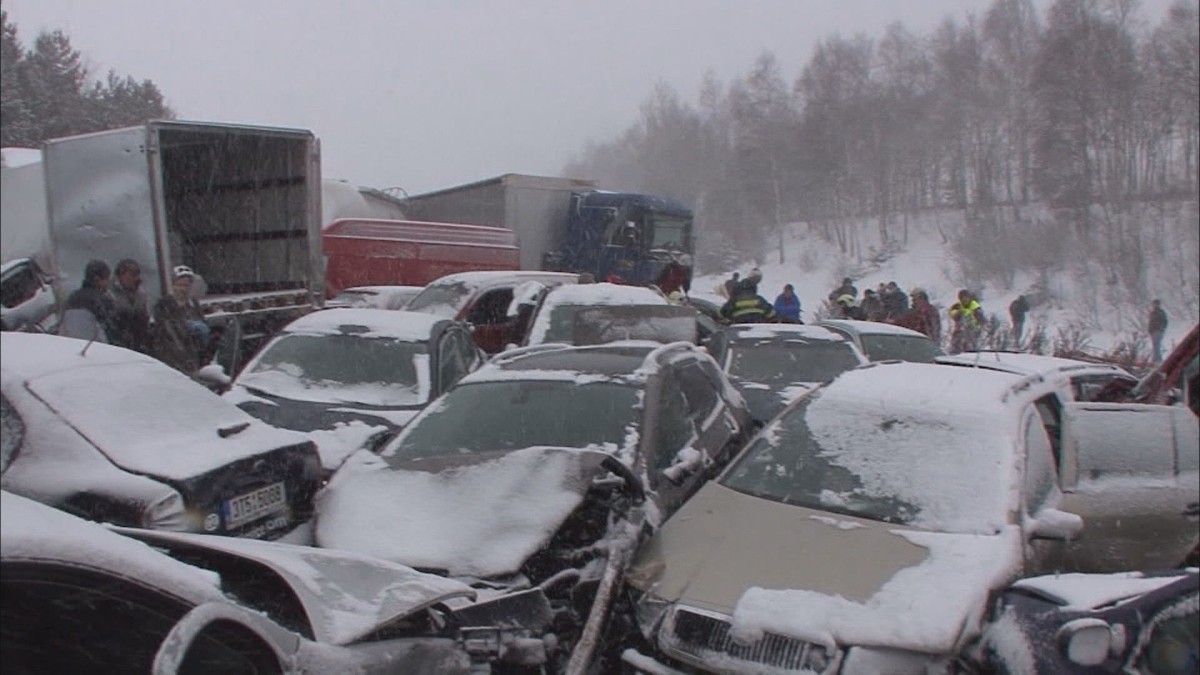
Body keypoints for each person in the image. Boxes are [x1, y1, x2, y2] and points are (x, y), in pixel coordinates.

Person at [153, 265, 209, 374]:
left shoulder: (193, 304)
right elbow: (167, 331)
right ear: (173, 285)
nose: (183, 289)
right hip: (171, 356)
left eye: (186, 285)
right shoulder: (164, 304)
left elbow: (201, 323)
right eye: (180, 285)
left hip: (192, 354)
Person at [58, 259, 117, 343]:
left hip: (69, 344)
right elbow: (109, 328)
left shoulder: (73, 297)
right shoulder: (101, 300)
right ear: (97, 279)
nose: (108, 283)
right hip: (93, 345)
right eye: (106, 279)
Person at [109, 258, 152, 353]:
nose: (134, 279)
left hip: (137, 341)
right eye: (131, 275)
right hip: (117, 340)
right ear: (120, 276)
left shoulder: (141, 295)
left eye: (136, 275)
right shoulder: (109, 292)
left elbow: (145, 317)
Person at [948, 289, 984, 354]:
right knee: (955, 349)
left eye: (966, 297)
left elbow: (981, 320)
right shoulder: (957, 306)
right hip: (959, 332)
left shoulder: (975, 307)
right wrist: (959, 312)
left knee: (970, 350)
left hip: (971, 332)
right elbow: (953, 315)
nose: (965, 299)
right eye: (963, 297)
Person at [1148, 299, 1168, 364]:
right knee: (1155, 345)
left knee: (1156, 345)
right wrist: (1149, 330)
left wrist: (1162, 329)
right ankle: (1158, 359)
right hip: (1153, 331)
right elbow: (1150, 322)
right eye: (1154, 304)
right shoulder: (1152, 313)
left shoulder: (1161, 312)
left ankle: (1155, 359)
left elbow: (1165, 322)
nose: (1155, 305)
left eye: (1156, 304)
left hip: (1158, 331)